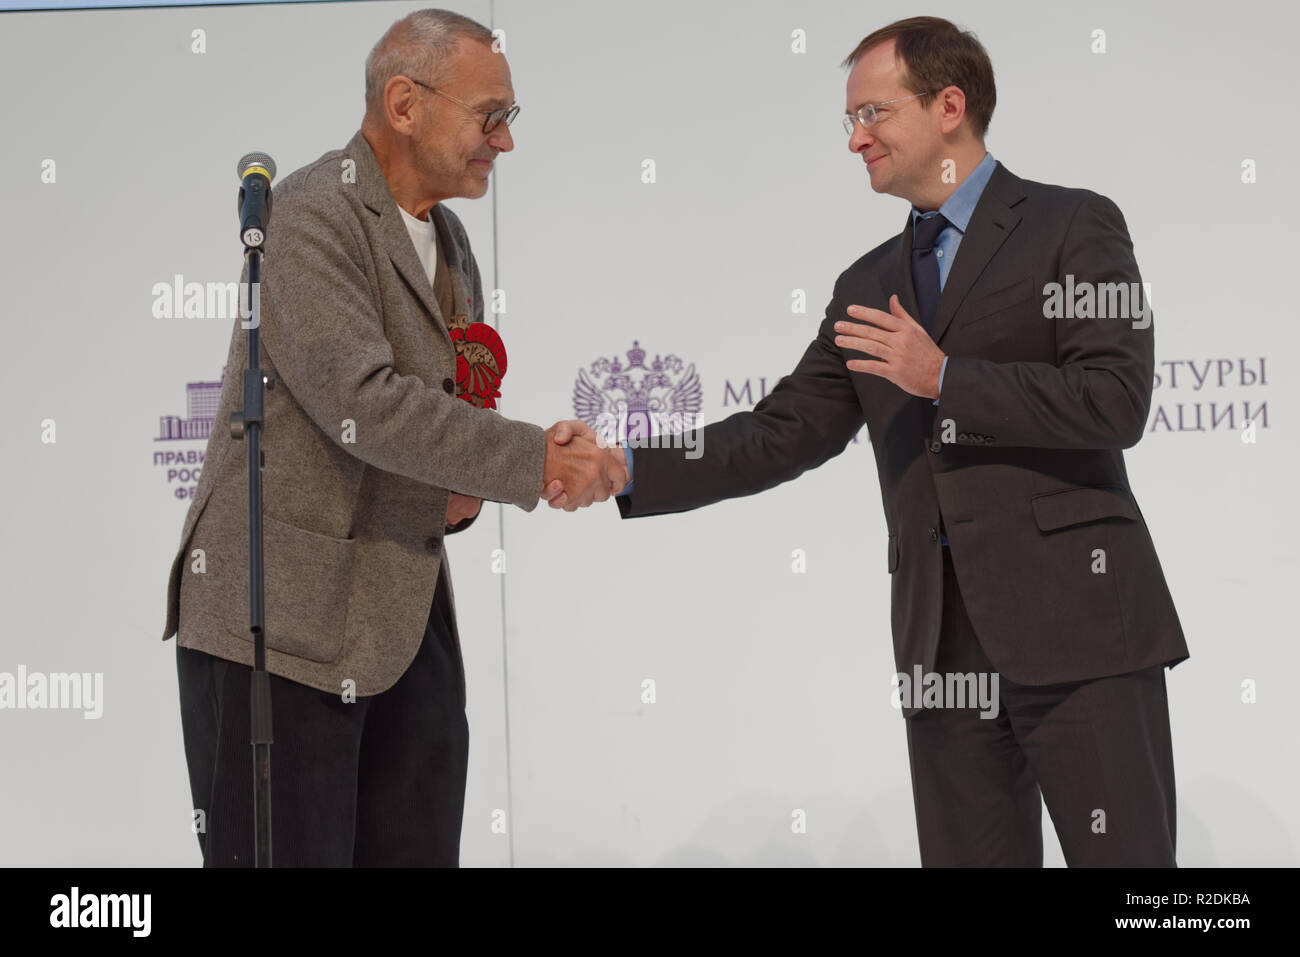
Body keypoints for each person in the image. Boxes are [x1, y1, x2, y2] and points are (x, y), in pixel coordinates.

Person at [547, 15, 1188, 867]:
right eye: (849, 121)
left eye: (872, 114)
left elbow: (1116, 400)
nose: (855, 140)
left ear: (949, 106)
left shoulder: (1074, 225)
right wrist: (626, 467)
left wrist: (947, 377)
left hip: (1083, 635)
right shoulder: (868, 284)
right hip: (941, 652)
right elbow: (781, 431)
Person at [161, 8, 625, 867]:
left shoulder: (450, 240)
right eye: (492, 116)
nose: (505, 143)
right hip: (282, 624)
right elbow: (365, 403)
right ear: (405, 103)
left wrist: (466, 493)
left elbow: (440, 424)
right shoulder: (309, 214)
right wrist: (535, 458)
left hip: (402, 618)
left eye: (509, 120)